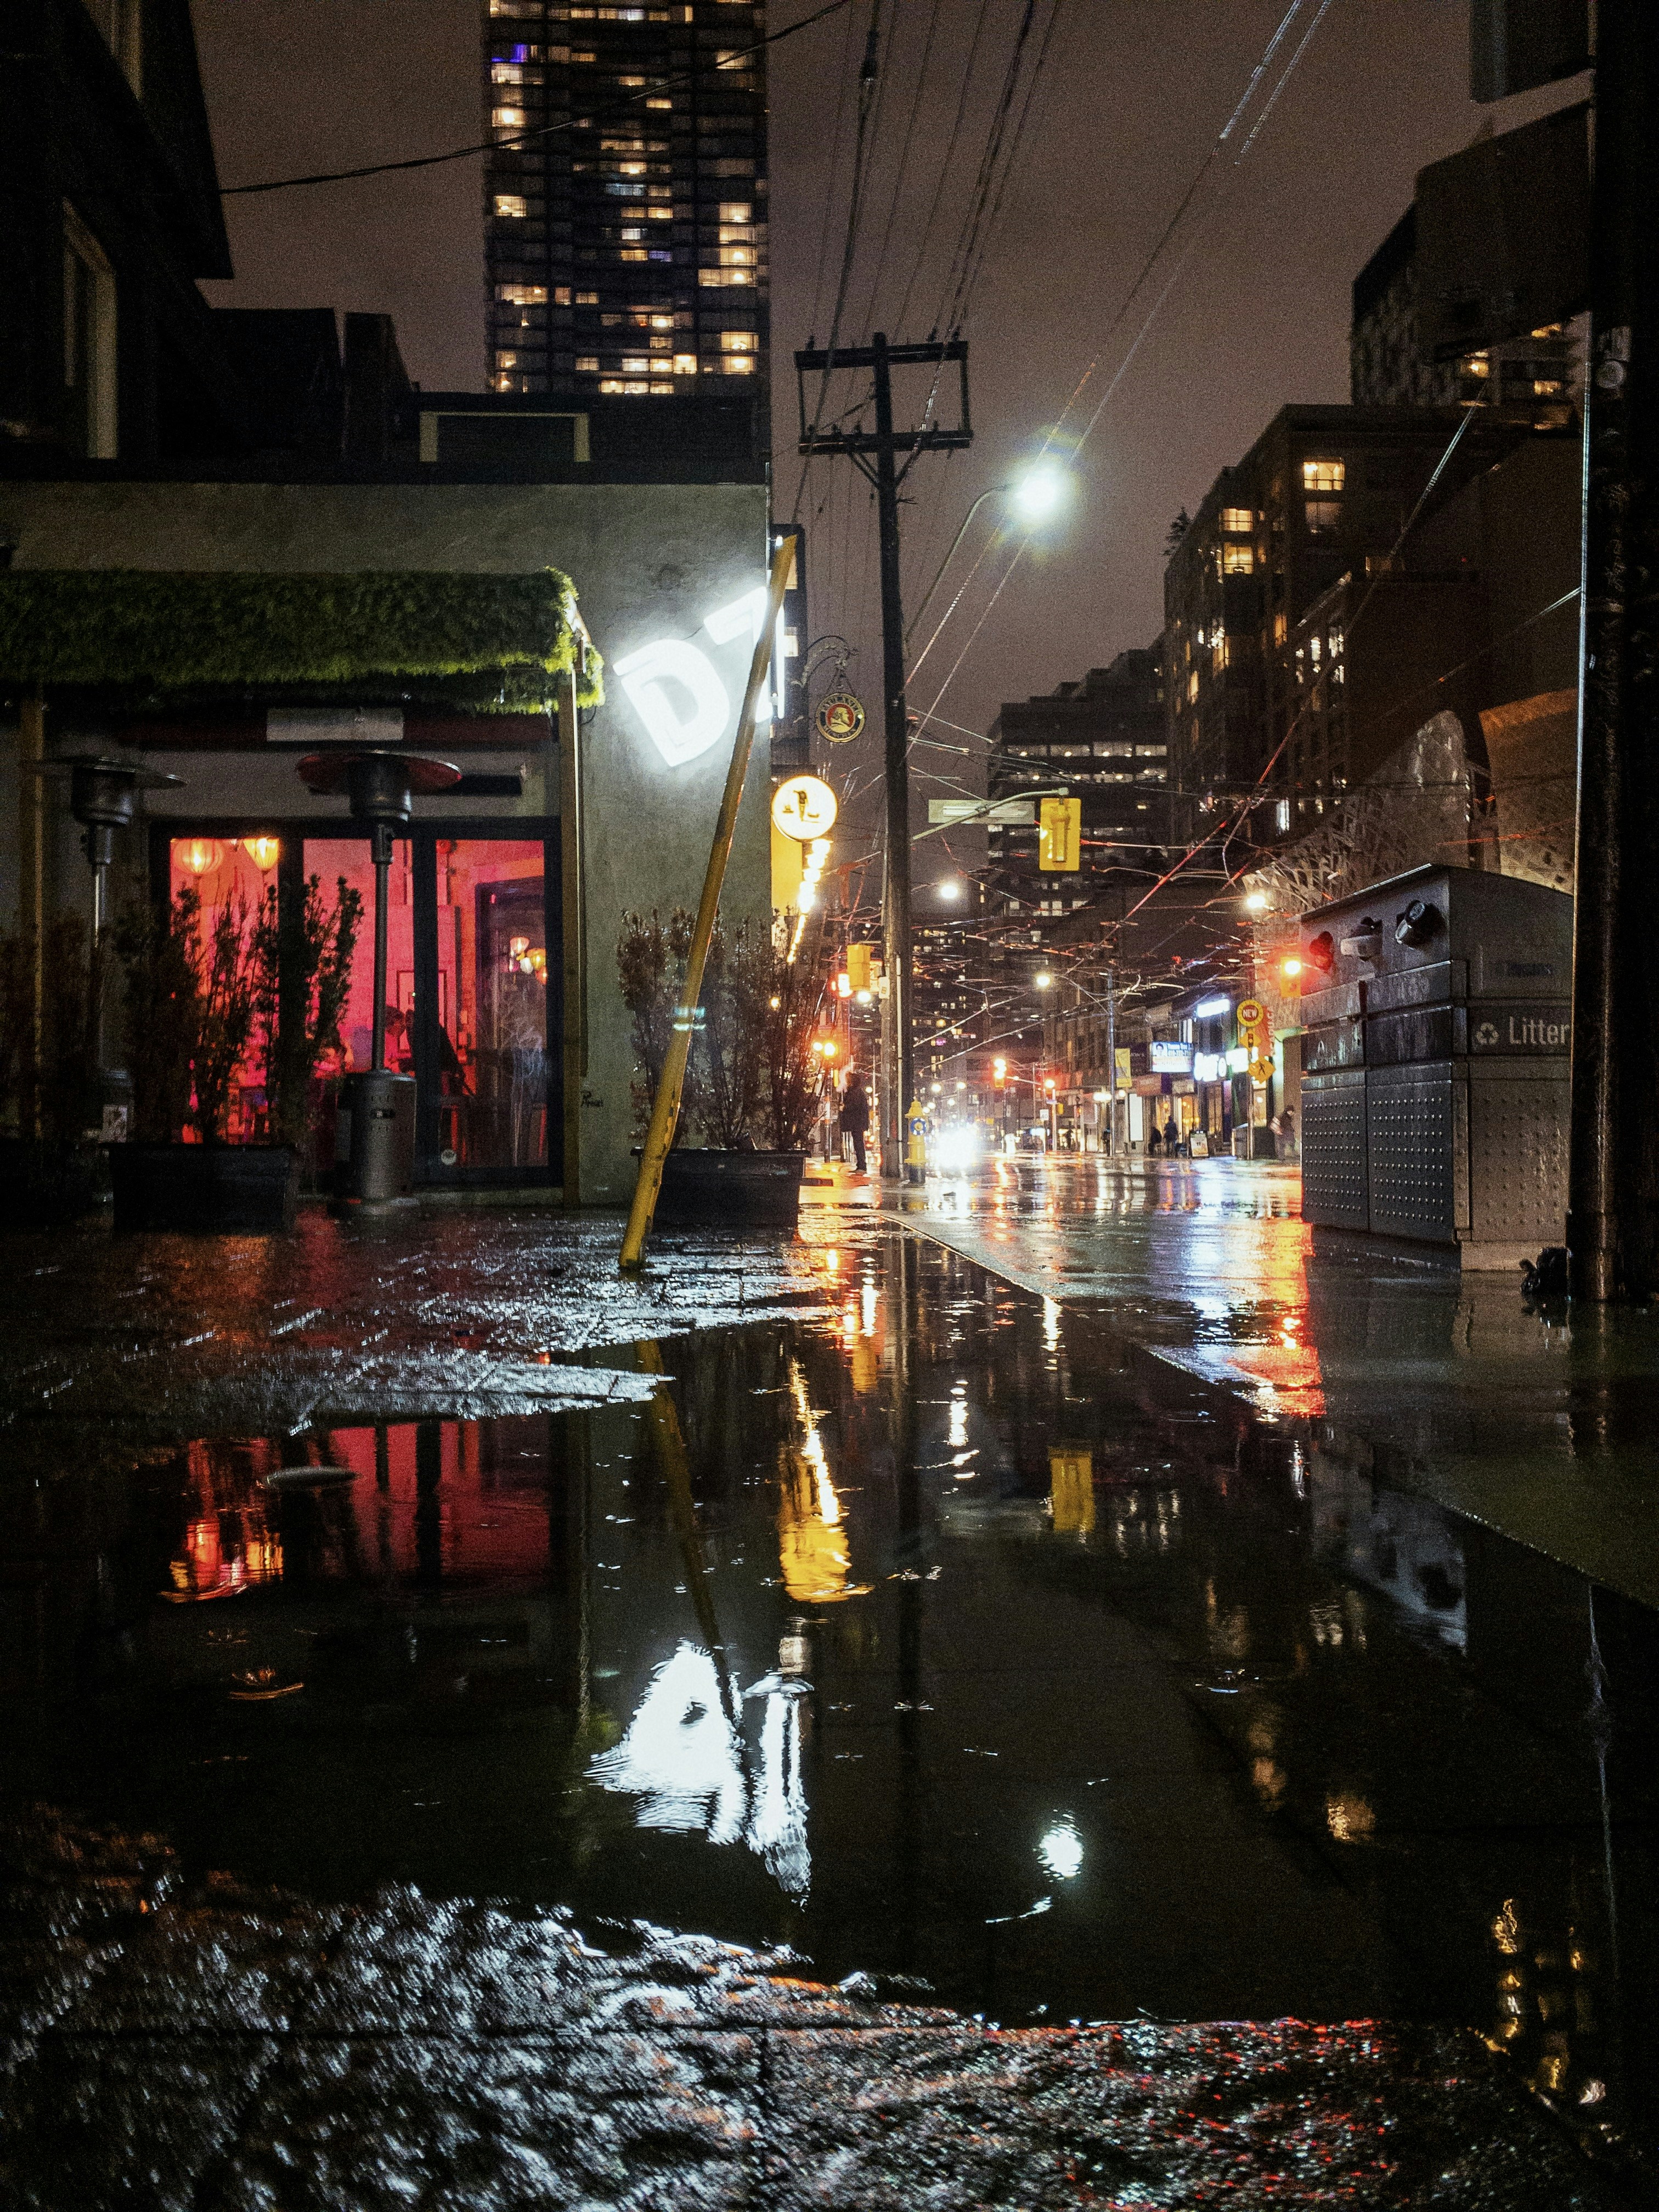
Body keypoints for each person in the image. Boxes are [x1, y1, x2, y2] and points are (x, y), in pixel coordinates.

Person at [839, 1069, 870, 1173]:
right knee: (858, 1144)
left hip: (857, 1123)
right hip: (857, 1123)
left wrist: (844, 1108)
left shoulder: (856, 1093)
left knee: (859, 1144)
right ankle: (860, 1166)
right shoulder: (856, 1092)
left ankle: (862, 1166)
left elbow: (854, 1106)